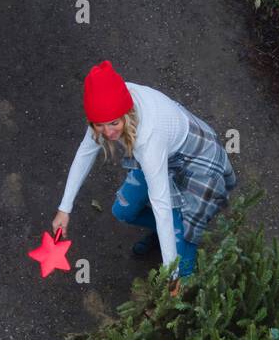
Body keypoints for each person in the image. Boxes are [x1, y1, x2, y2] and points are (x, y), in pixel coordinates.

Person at [52, 61, 236, 294]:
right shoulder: (107, 104)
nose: (108, 133)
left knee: (184, 239)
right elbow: (84, 153)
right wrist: (64, 209)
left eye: (114, 123)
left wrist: (171, 275)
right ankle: (166, 234)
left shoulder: (148, 140)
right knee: (124, 210)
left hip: (197, 161)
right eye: (100, 125)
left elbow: (160, 203)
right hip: (165, 156)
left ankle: (185, 291)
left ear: (126, 115)